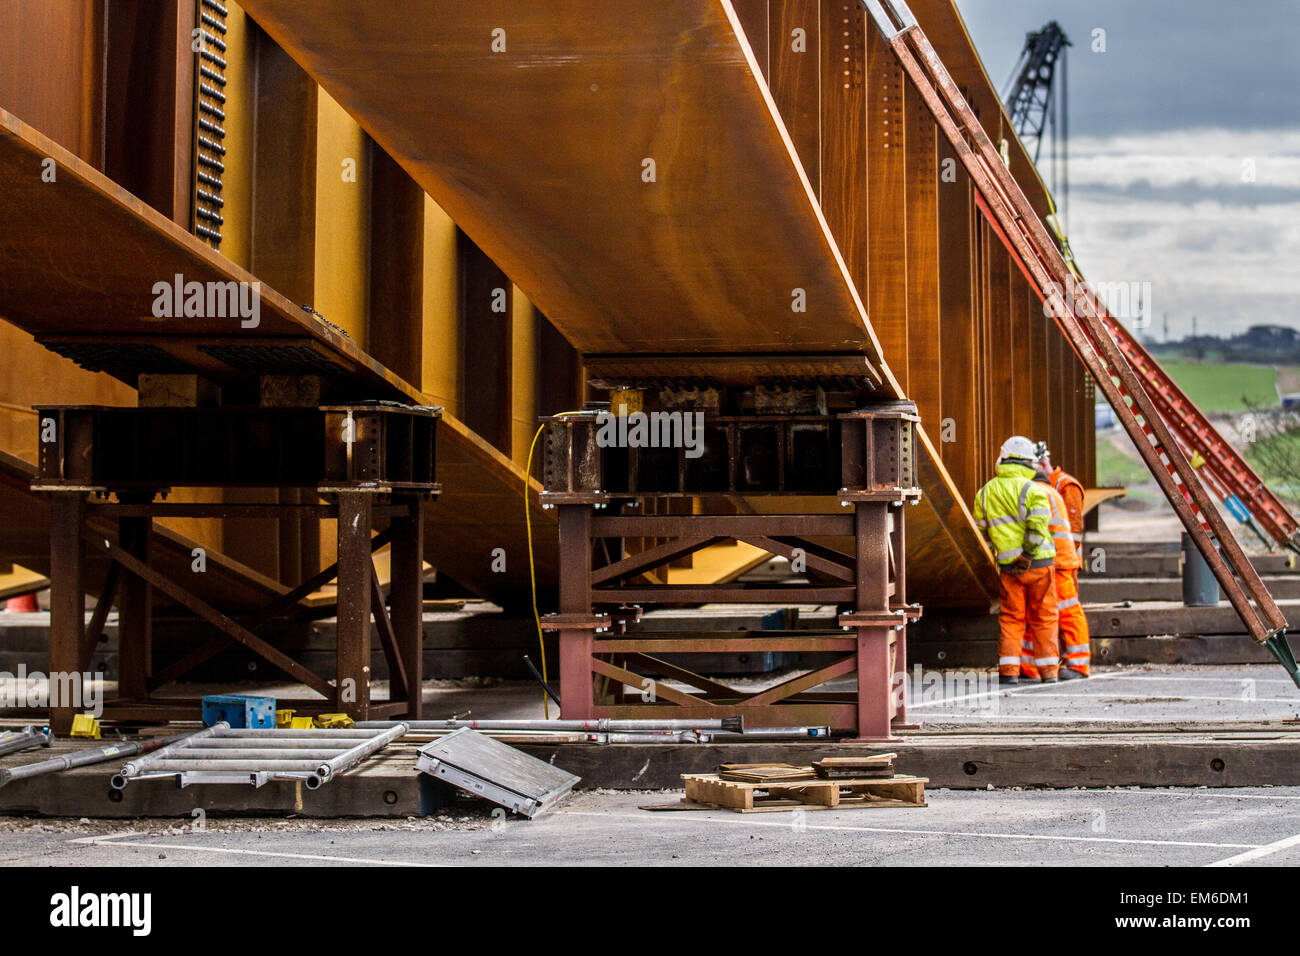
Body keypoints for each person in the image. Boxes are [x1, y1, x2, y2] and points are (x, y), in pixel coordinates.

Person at [973, 436, 1060, 684]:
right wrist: (1028, 555)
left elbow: (982, 534)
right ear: (1029, 462)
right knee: (1044, 617)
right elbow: (1038, 527)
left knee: (1011, 618)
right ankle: (1049, 671)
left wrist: (1002, 558)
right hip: (1039, 563)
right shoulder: (1034, 490)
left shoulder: (985, 492)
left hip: (1009, 568)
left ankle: (1009, 671)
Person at [1019, 445, 1091, 679]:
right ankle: (1033, 667)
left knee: (1067, 611)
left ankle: (1078, 665)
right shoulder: (1045, 487)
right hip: (1051, 561)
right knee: (1040, 614)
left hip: (1059, 562)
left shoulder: (1063, 485)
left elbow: (1074, 530)